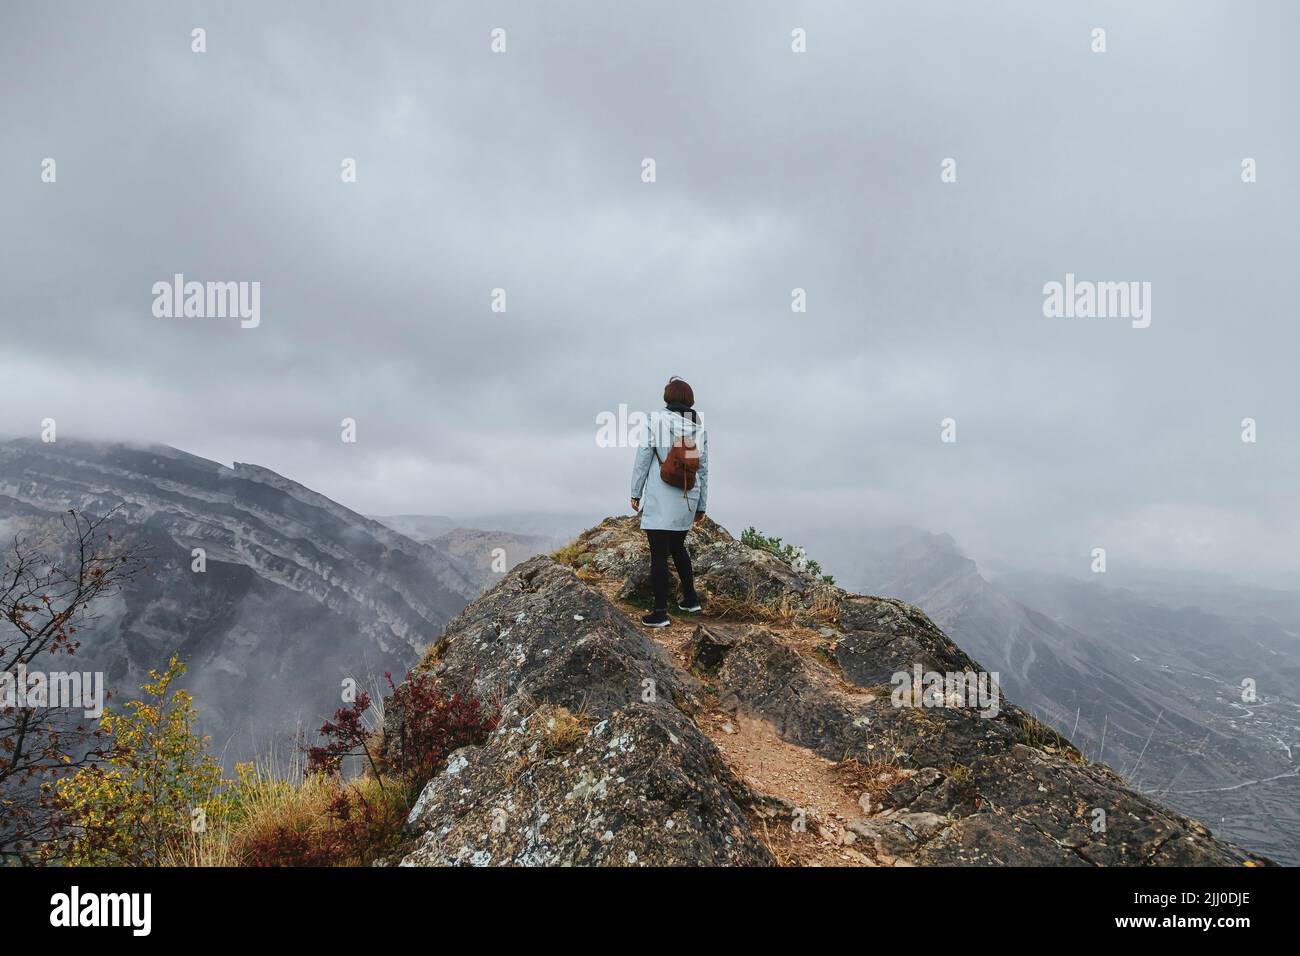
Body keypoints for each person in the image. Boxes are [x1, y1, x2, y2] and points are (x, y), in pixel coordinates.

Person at [629, 376, 708, 627]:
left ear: (667, 397)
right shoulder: (698, 427)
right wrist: (701, 505)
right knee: (677, 546)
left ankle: (660, 612)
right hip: (687, 495)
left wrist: (635, 492)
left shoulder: (656, 419)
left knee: (659, 554)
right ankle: (691, 599)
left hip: (661, 493)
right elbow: (703, 468)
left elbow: (644, 455)